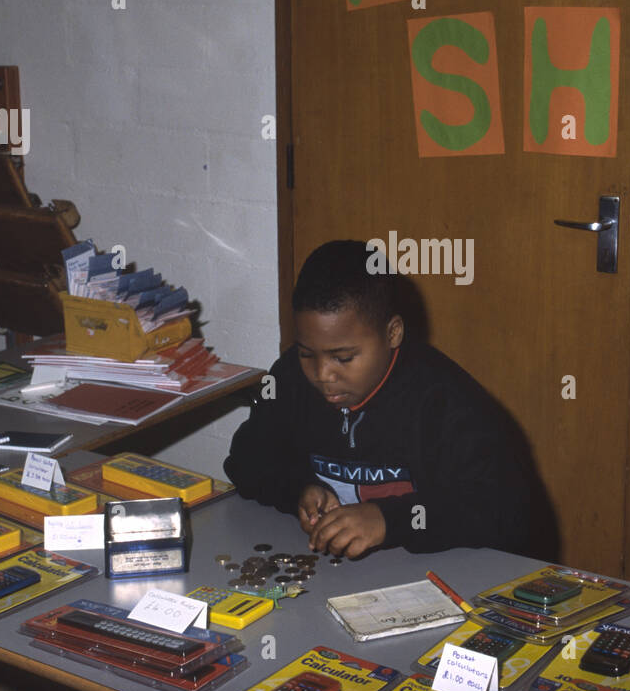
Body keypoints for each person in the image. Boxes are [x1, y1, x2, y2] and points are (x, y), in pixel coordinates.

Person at [224, 239, 540, 559]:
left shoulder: (445, 400)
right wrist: (299, 489)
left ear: (393, 334)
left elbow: (507, 512)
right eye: (307, 353)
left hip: (436, 572)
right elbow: (245, 460)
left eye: (344, 358)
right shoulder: (290, 377)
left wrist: (390, 520)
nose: (322, 374)